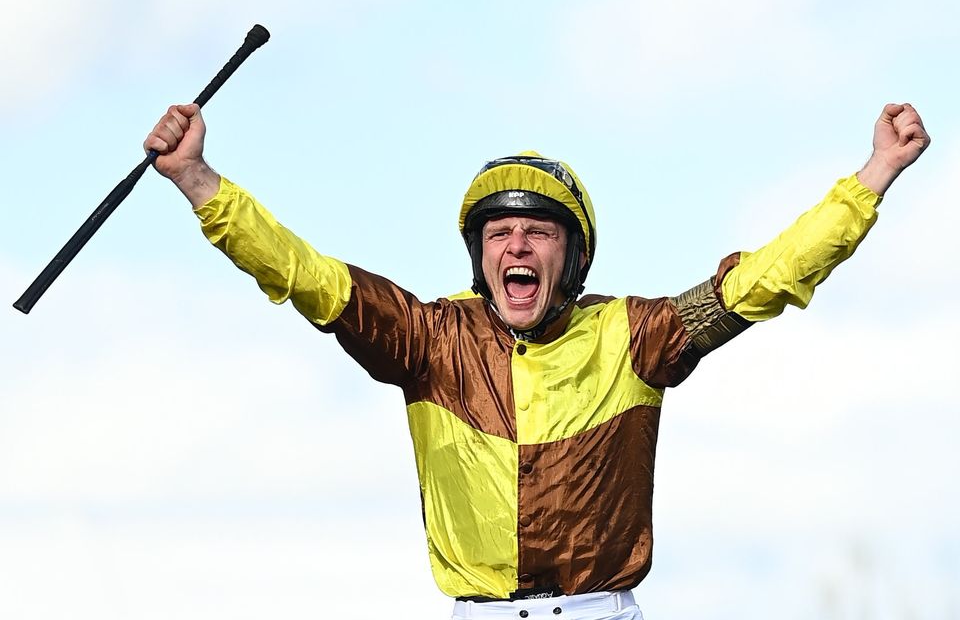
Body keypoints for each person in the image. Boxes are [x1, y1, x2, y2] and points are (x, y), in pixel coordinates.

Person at [144, 103, 928, 620]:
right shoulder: (426, 339)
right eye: (498, 234)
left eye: (538, 232)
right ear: (480, 256)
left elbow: (764, 279)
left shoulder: (639, 334)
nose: (516, 245)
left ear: (572, 256)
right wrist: (200, 182)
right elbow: (307, 275)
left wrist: (873, 178)